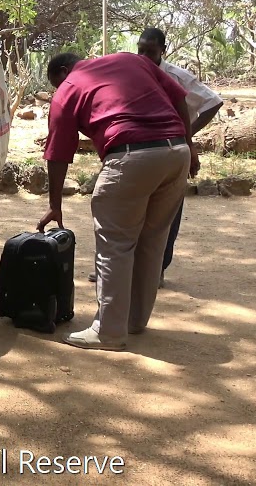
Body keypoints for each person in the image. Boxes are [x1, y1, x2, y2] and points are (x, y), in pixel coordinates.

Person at [38, 51, 198, 351]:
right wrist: (189, 144)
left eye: (54, 84)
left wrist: (55, 204)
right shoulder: (131, 60)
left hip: (130, 156)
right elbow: (180, 98)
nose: (56, 91)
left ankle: (109, 331)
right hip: (176, 152)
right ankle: (134, 321)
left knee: (116, 245)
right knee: (152, 241)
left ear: (62, 72)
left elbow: (58, 154)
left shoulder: (68, 88)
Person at [137, 28, 223, 286]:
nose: (144, 56)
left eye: (150, 52)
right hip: (140, 151)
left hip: (172, 151)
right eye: (140, 50)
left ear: (162, 50)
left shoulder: (175, 76)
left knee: (167, 213)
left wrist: (186, 136)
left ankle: (157, 270)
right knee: (134, 210)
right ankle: (125, 268)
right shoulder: (134, 72)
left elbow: (212, 102)